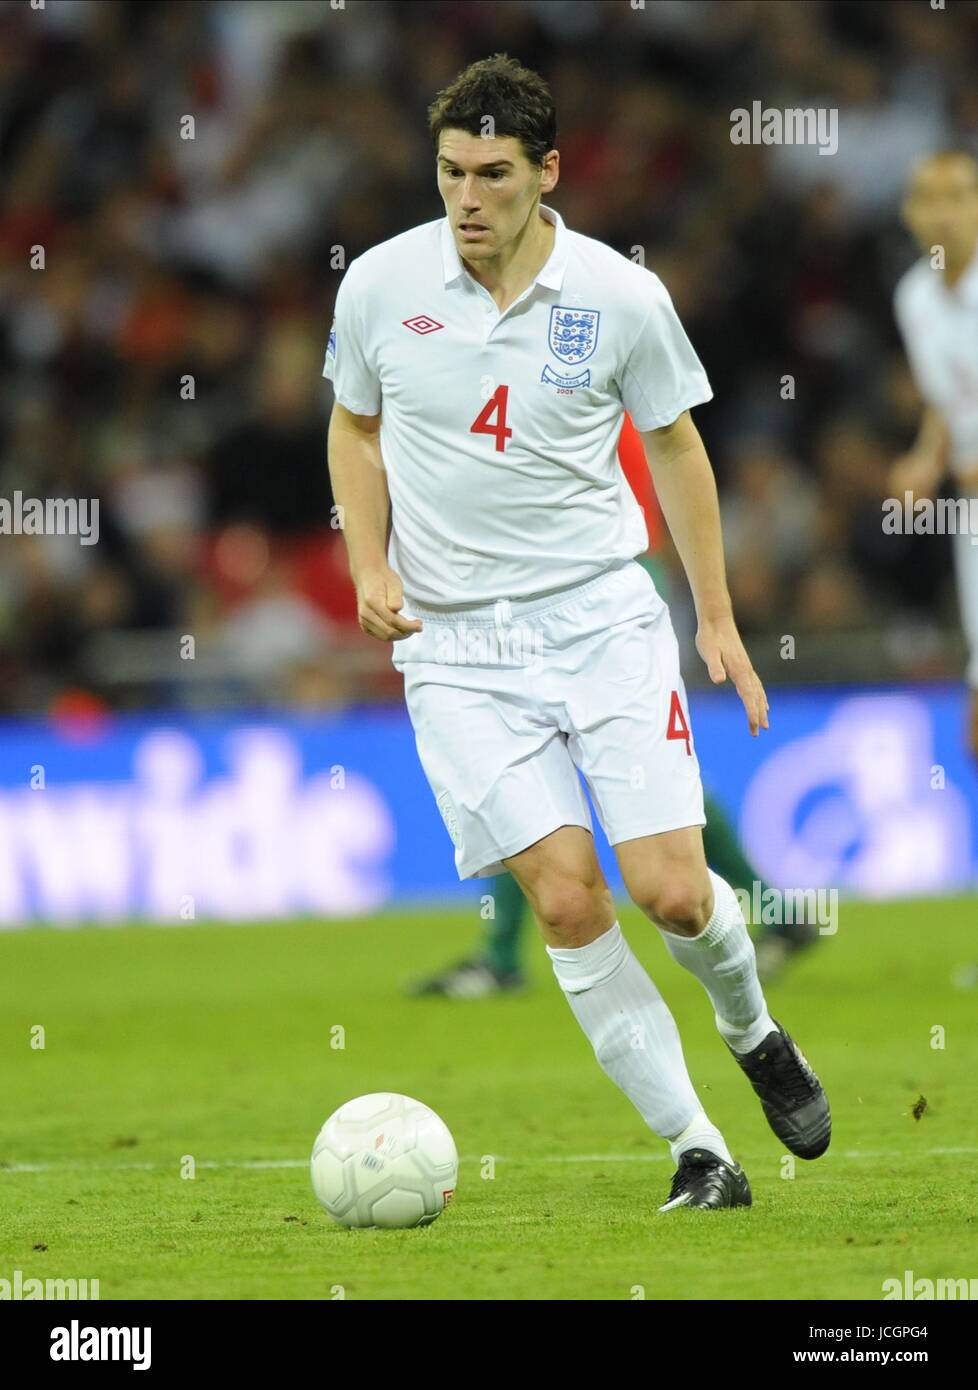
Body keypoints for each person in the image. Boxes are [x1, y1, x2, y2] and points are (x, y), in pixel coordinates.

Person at [326, 54, 829, 1211]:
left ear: (548, 173)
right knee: (563, 896)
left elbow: (678, 448)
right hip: (455, 650)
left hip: (601, 621)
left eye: (494, 174)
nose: (466, 198)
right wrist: (366, 558)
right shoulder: (379, 286)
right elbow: (354, 430)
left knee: (673, 892)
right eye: (450, 171)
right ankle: (700, 1149)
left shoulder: (620, 297)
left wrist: (717, 615)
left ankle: (752, 1030)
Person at [408, 415, 817, 999]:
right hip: (602, 581)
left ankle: (499, 957)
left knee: (541, 776)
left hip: (593, 589)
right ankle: (776, 910)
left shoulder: (568, 384)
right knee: (613, 776)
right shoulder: (590, 371)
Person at [890, 151, 978, 759]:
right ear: (908, 213)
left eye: (958, 196)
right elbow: (946, 405)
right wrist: (925, 457)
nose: (942, 213)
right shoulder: (915, 296)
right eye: (929, 198)